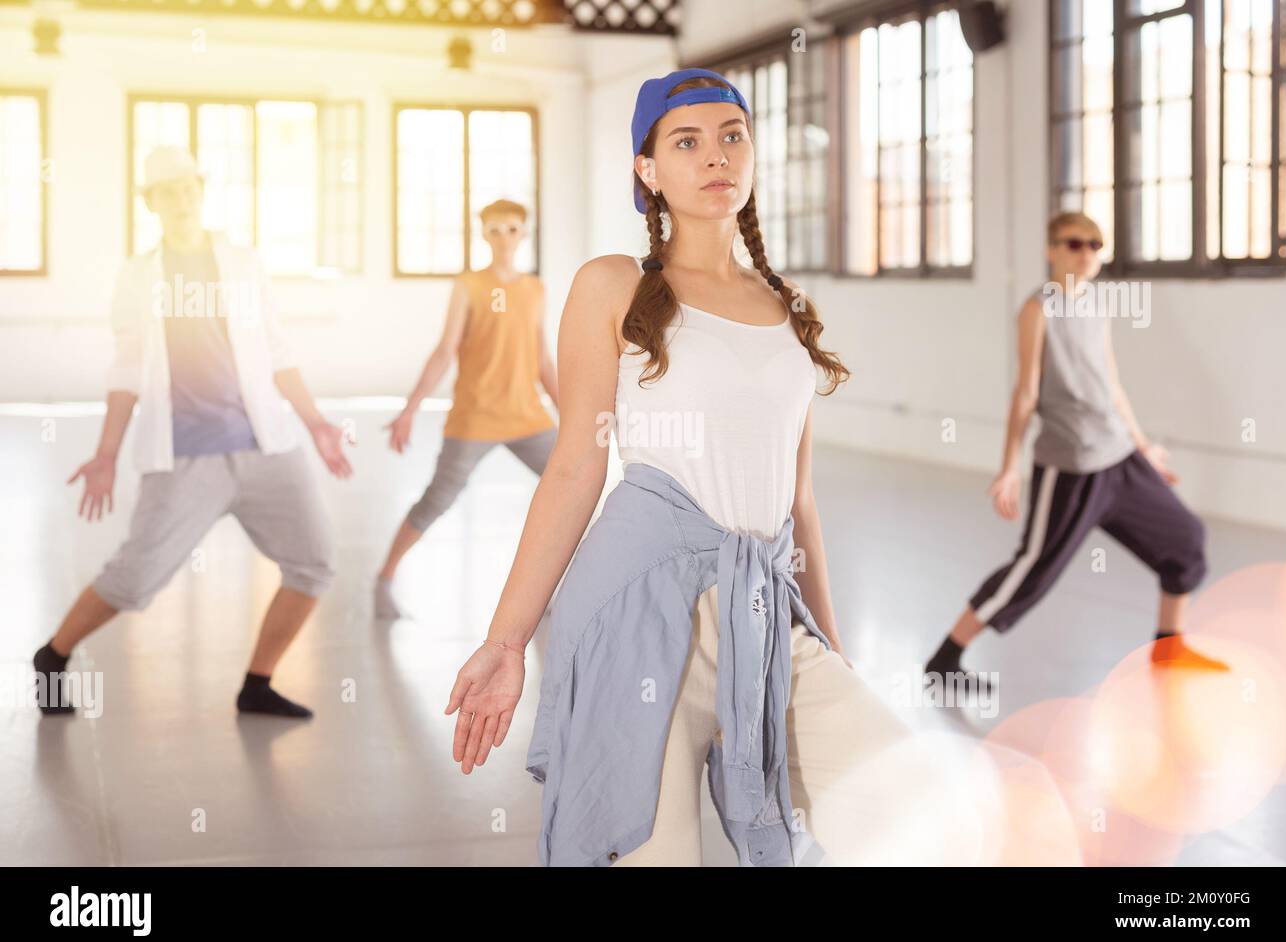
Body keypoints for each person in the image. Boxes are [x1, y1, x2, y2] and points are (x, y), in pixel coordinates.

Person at [443, 68, 911, 867]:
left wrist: (827, 645)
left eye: (732, 136)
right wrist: (507, 639)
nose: (714, 156)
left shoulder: (789, 302)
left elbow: (799, 503)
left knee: (904, 793)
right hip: (636, 611)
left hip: (763, 613)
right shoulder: (613, 286)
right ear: (648, 170)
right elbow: (574, 469)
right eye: (686, 142)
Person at [32, 146, 351, 719]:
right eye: (168, 190)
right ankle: (53, 656)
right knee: (134, 580)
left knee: (315, 563)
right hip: (184, 456)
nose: (181, 198)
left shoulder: (242, 261)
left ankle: (256, 684)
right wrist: (106, 453)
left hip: (265, 446)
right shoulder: (138, 276)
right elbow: (127, 370)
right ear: (151, 202)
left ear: (201, 192)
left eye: (188, 187)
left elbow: (276, 350)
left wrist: (318, 423)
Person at [923, 211, 1224, 695]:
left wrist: (1142, 445)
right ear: (1051, 250)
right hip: (1071, 467)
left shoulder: (1099, 304)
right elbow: (1025, 393)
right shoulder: (1037, 310)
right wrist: (1009, 468)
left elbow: (1111, 383)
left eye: (1094, 244)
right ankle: (944, 658)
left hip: (1120, 458)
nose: (1085, 253)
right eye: (1074, 243)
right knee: (1032, 572)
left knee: (1186, 539)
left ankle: (1168, 651)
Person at [375, 200, 558, 619]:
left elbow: (542, 359)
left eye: (512, 230)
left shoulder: (534, 289)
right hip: (475, 417)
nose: (503, 239)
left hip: (527, 416)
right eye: (494, 230)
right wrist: (409, 410)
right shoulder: (469, 286)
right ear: (483, 235)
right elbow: (444, 352)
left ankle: (547, 591)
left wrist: (579, 415)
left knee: (569, 490)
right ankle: (383, 580)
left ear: (523, 235)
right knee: (437, 499)